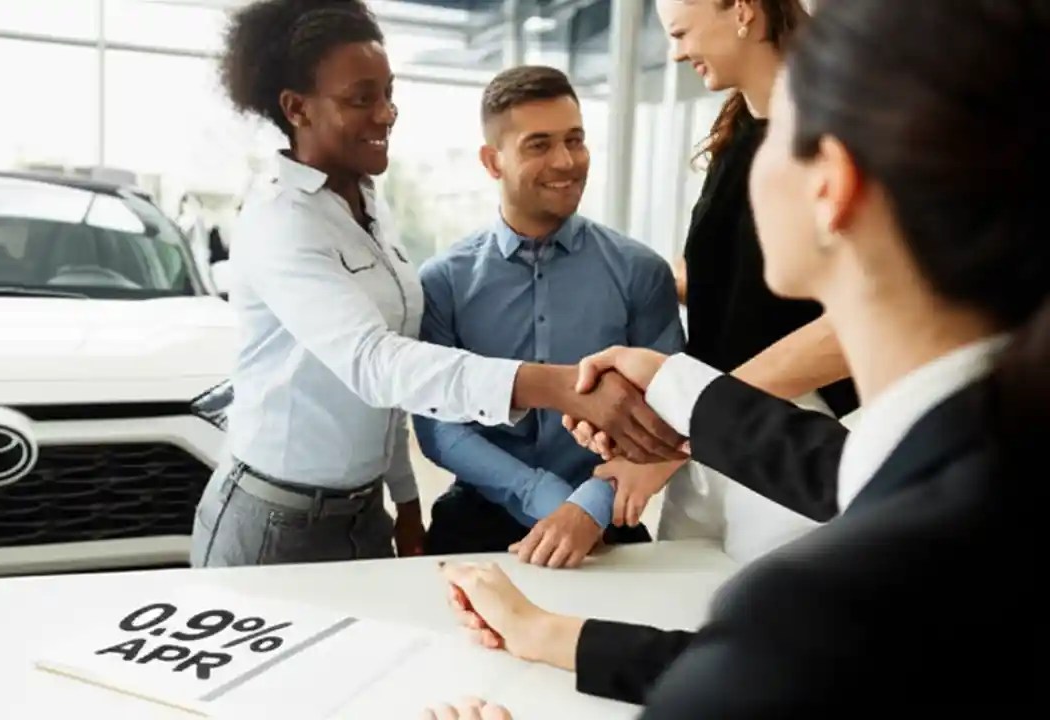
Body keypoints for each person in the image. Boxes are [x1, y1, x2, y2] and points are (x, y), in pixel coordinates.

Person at [427, 0, 1044, 715]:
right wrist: (545, 630)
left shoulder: (813, 610)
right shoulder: (985, 467)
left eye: (777, 132)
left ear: (830, 185)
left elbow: (760, 669)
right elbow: (830, 468)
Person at [190, 0, 686, 568]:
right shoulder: (282, 219)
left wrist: (405, 502)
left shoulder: (367, 210)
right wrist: (562, 389)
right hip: (279, 519)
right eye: (361, 98)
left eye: (388, 94)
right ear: (296, 107)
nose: (385, 114)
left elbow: (397, 393)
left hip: (366, 516)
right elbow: (378, 365)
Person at [586, 0, 859, 564]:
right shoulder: (739, 131)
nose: (675, 52)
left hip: (791, 429)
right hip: (712, 413)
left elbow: (858, 322)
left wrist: (683, 430)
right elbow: (730, 271)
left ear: (742, 10)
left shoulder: (839, 132)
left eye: (681, 31)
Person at [414, 65, 684, 568]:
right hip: (475, 518)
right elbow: (439, 426)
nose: (566, 161)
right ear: (492, 161)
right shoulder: (443, 281)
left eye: (575, 140)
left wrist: (588, 506)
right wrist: (548, 499)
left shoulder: (640, 272)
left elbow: (671, 413)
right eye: (539, 145)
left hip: (606, 517)